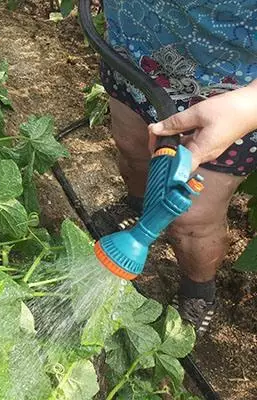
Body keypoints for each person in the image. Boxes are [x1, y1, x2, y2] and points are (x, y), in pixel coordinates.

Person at [96, 0, 257, 334]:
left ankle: (199, 289)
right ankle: (140, 212)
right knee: (132, 151)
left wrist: (248, 106)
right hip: (131, 59)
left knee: (190, 219)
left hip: (225, 102)